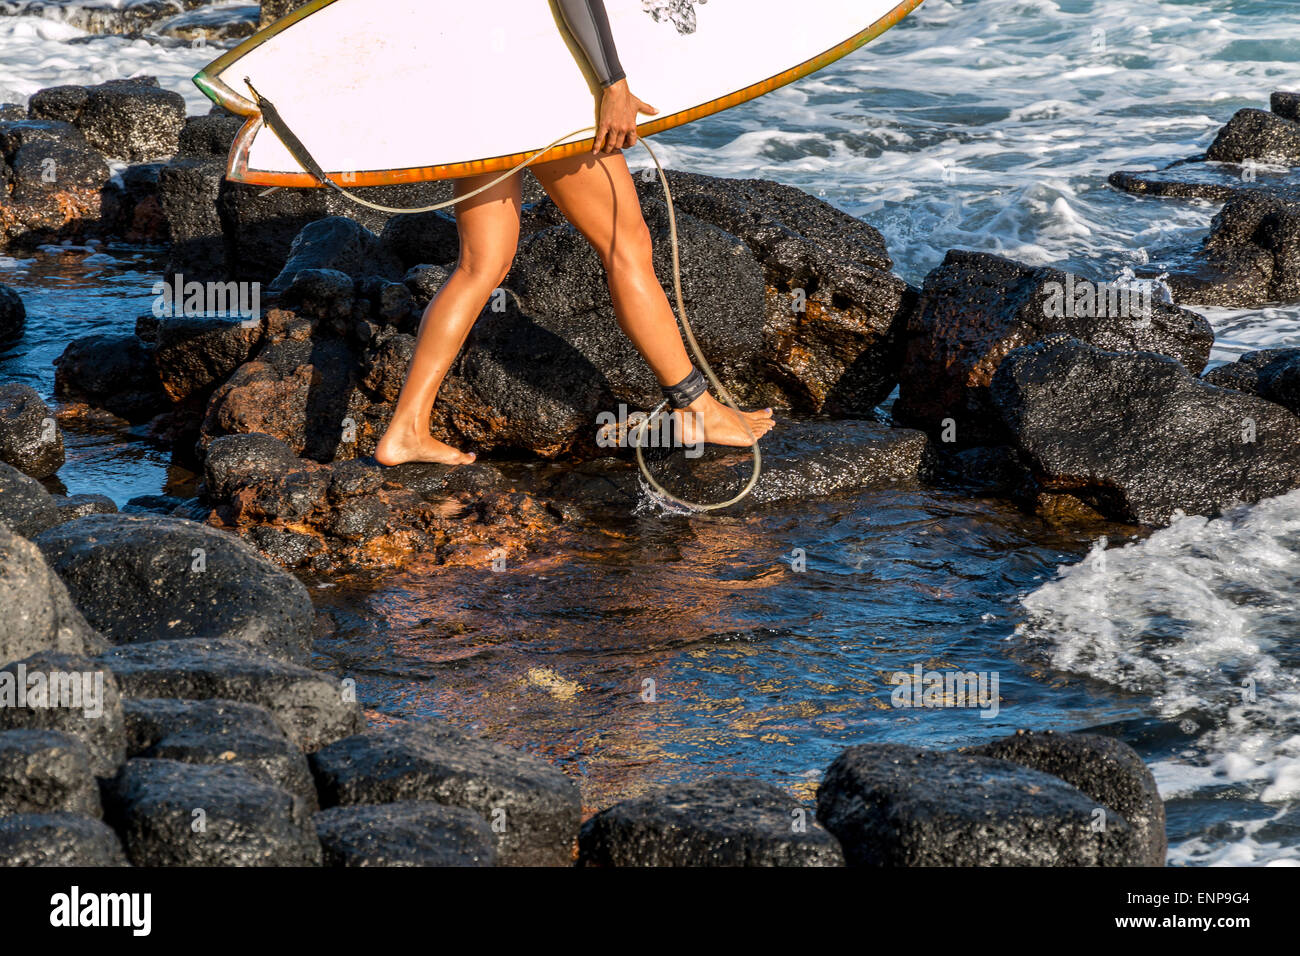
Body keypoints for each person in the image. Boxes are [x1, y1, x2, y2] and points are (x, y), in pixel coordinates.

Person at [374, 0, 775, 467]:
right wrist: (613, 83)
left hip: (476, 84)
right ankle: (697, 408)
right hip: (538, 86)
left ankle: (406, 429)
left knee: (479, 265)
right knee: (627, 247)